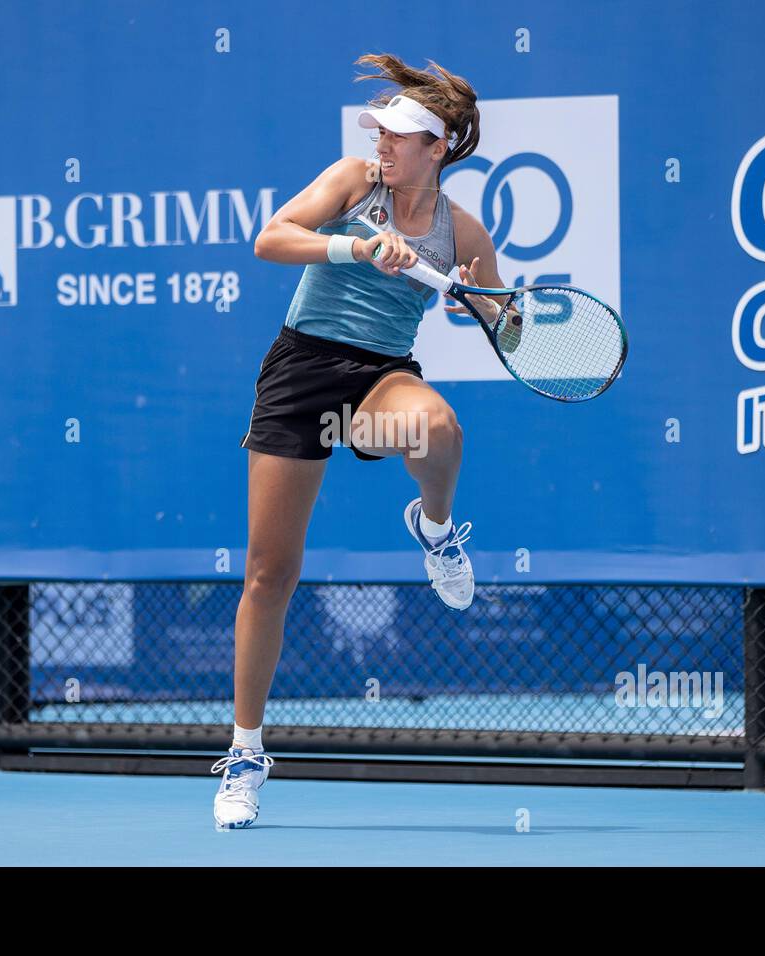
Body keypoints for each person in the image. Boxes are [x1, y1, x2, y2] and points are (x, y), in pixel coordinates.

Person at [212, 53, 515, 830]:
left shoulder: (463, 234)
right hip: (301, 376)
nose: (381, 143)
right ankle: (246, 755)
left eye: (399, 136)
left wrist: (501, 311)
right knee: (268, 575)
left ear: (437, 147)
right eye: (379, 130)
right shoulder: (353, 182)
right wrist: (355, 246)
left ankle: (435, 529)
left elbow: (495, 323)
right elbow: (271, 239)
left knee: (438, 425)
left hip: (378, 385)